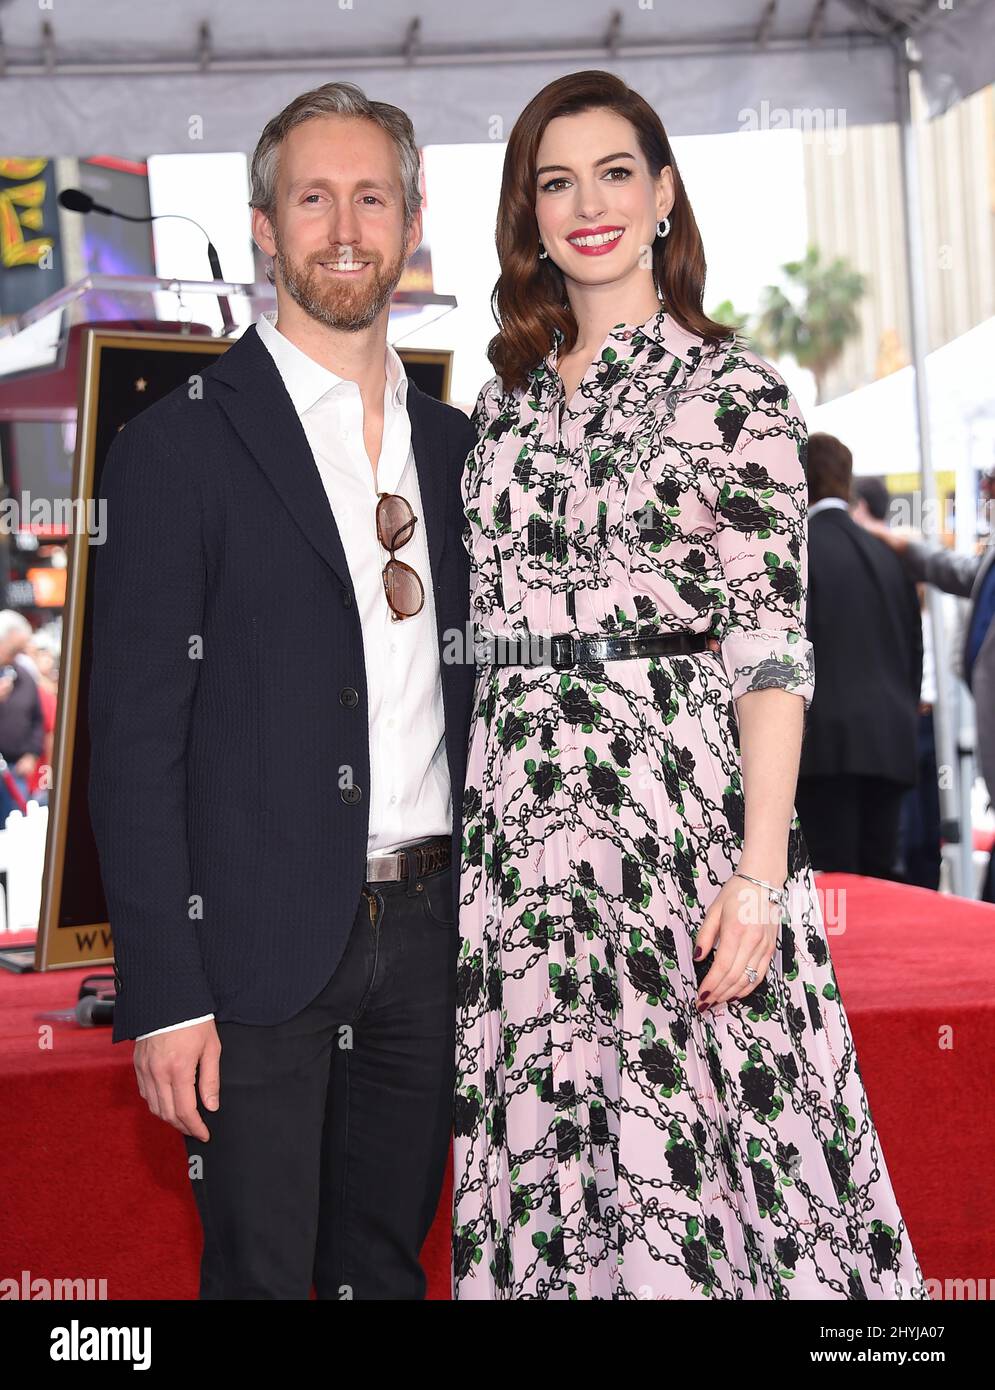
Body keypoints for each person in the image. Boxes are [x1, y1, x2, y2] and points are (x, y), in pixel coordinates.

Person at [452, 69, 928, 1300]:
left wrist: (758, 875)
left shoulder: (735, 396)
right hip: (518, 847)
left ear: (663, 195)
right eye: (555, 182)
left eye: (615, 173)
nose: (587, 204)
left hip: (673, 830)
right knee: (550, 1163)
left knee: (717, 1170)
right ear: (529, 213)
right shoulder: (494, 411)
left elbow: (770, 648)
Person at [88, 81, 477, 1300]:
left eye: (372, 196)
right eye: (313, 198)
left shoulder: (465, 453)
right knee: (256, 1279)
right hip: (249, 948)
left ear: (412, 222)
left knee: (383, 1271)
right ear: (264, 226)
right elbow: (131, 745)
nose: (344, 225)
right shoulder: (178, 447)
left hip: (429, 937)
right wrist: (161, 994)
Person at [854, 463, 995, 901]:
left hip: (938, 723)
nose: (985, 493)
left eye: (990, 485)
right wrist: (899, 544)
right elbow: (957, 571)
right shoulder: (987, 557)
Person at [794, 434, 923, 878]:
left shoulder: (797, 552)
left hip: (824, 748)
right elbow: (913, 651)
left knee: (835, 896)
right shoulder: (887, 554)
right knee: (881, 884)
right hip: (890, 742)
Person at [0, 610, 44, 822]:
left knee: (17, 821)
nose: (15, 656)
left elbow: (38, 718)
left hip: (16, 768)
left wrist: (32, 753)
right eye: (13, 649)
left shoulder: (24, 675)